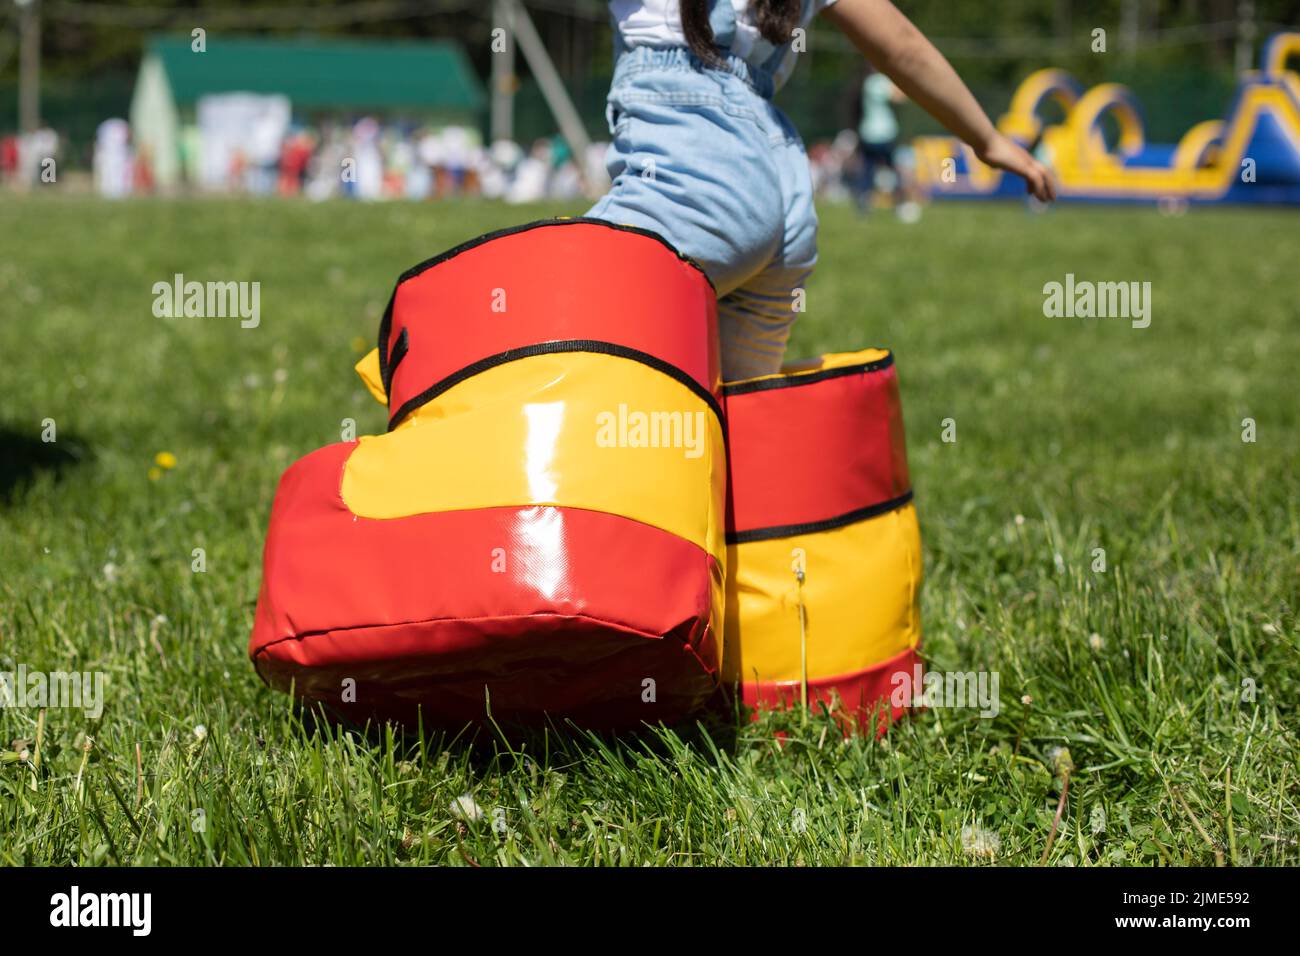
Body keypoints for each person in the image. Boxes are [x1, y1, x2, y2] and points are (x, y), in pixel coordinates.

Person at [587, 0, 1054, 381]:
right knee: (731, 423)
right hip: (779, 189)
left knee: (542, 310)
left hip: (697, 166)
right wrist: (988, 141)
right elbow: (903, 48)